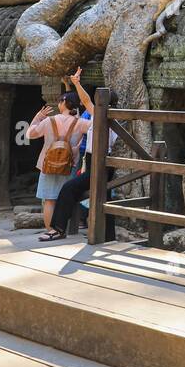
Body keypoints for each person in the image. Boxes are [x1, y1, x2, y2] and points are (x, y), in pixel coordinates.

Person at [41, 69, 118, 241]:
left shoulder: (103, 116)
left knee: (68, 189)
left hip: (99, 165)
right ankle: (108, 236)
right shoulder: (104, 117)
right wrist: (72, 84)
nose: (94, 103)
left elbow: (85, 100)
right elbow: (85, 102)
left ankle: (58, 229)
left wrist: (76, 83)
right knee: (105, 197)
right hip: (95, 163)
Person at [27, 92, 89, 231]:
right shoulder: (80, 123)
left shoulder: (49, 121)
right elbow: (96, 127)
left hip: (47, 165)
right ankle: (64, 229)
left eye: (59, 101)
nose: (58, 104)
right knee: (66, 197)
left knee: (49, 200)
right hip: (69, 165)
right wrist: (78, 147)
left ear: (64, 102)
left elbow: (30, 134)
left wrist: (38, 117)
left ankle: (50, 231)